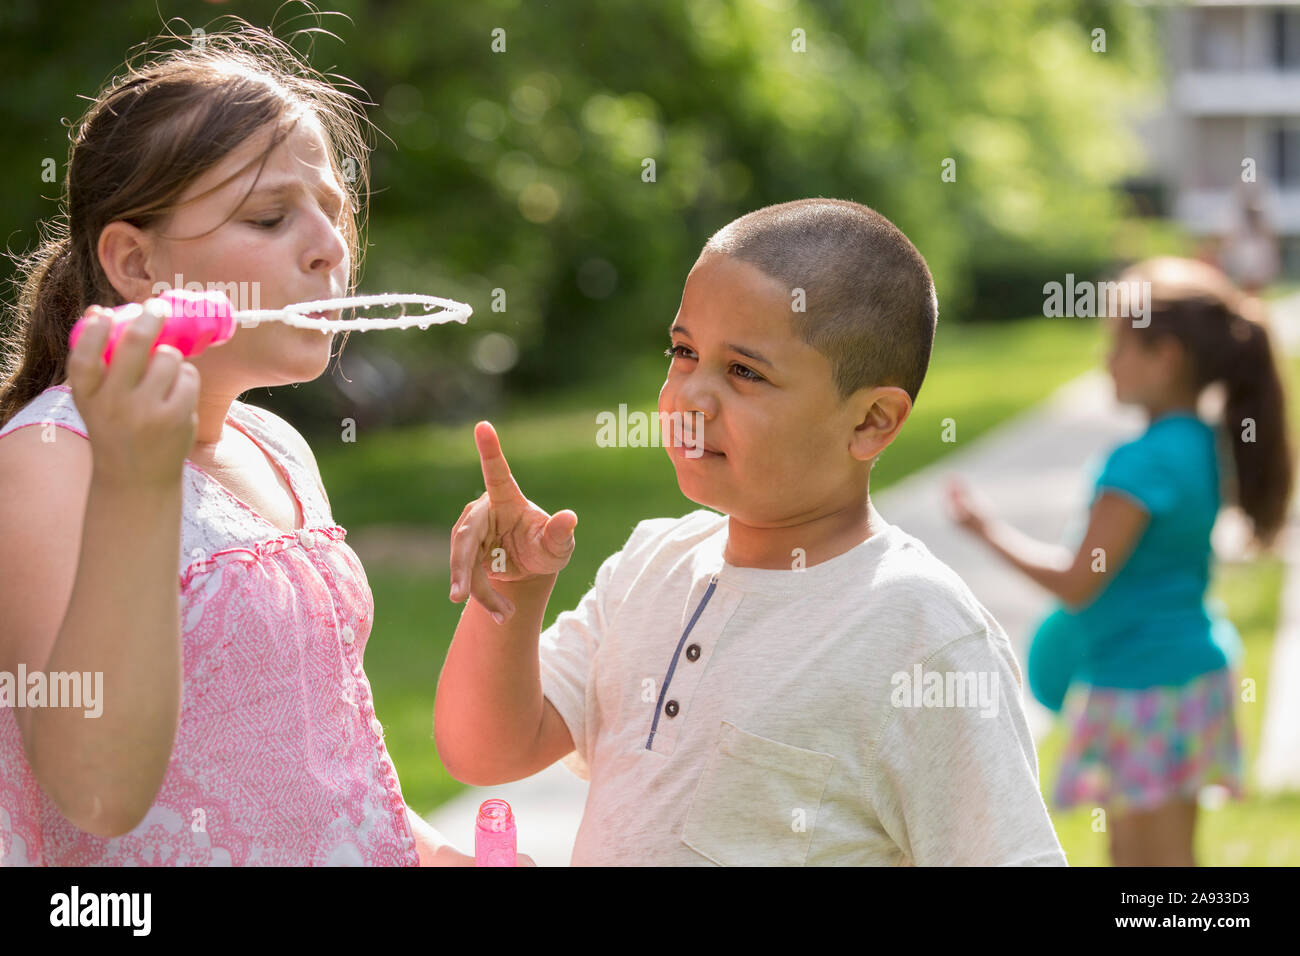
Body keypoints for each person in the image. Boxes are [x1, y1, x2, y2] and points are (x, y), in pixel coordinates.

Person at [434, 198, 1069, 866]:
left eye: (744, 371)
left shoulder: (918, 630)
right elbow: (488, 748)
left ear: (871, 421)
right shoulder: (652, 565)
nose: (689, 397)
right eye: (683, 353)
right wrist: (515, 589)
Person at [0, 24, 494, 865]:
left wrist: (445, 859)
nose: (331, 247)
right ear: (136, 263)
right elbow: (97, 792)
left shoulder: (274, 449)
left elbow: (322, 775)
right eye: (269, 217)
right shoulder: (49, 462)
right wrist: (137, 484)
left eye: (334, 212)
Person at [946, 257, 1294, 866]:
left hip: (1143, 690)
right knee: (1172, 870)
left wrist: (985, 531)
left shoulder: (1141, 465)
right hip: (1192, 675)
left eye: (1118, 345)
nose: (1106, 361)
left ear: (1165, 358)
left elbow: (1079, 582)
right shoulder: (1203, 444)